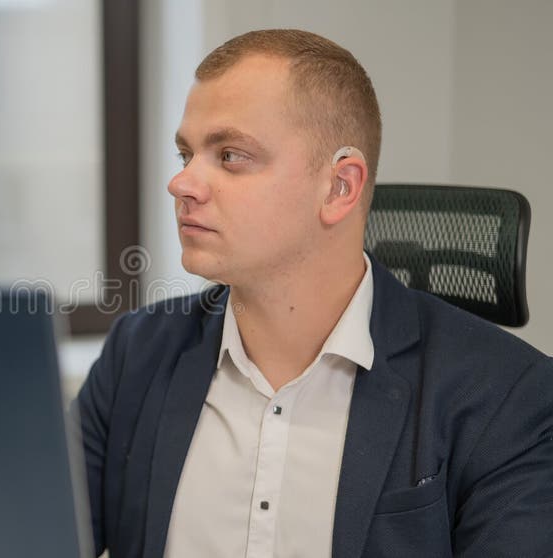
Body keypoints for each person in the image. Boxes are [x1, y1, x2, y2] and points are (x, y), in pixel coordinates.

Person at [73, 29, 553, 558]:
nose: (182, 183)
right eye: (186, 154)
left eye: (230, 155)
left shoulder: (508, 396)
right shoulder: (137, 352)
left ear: (339, 187)